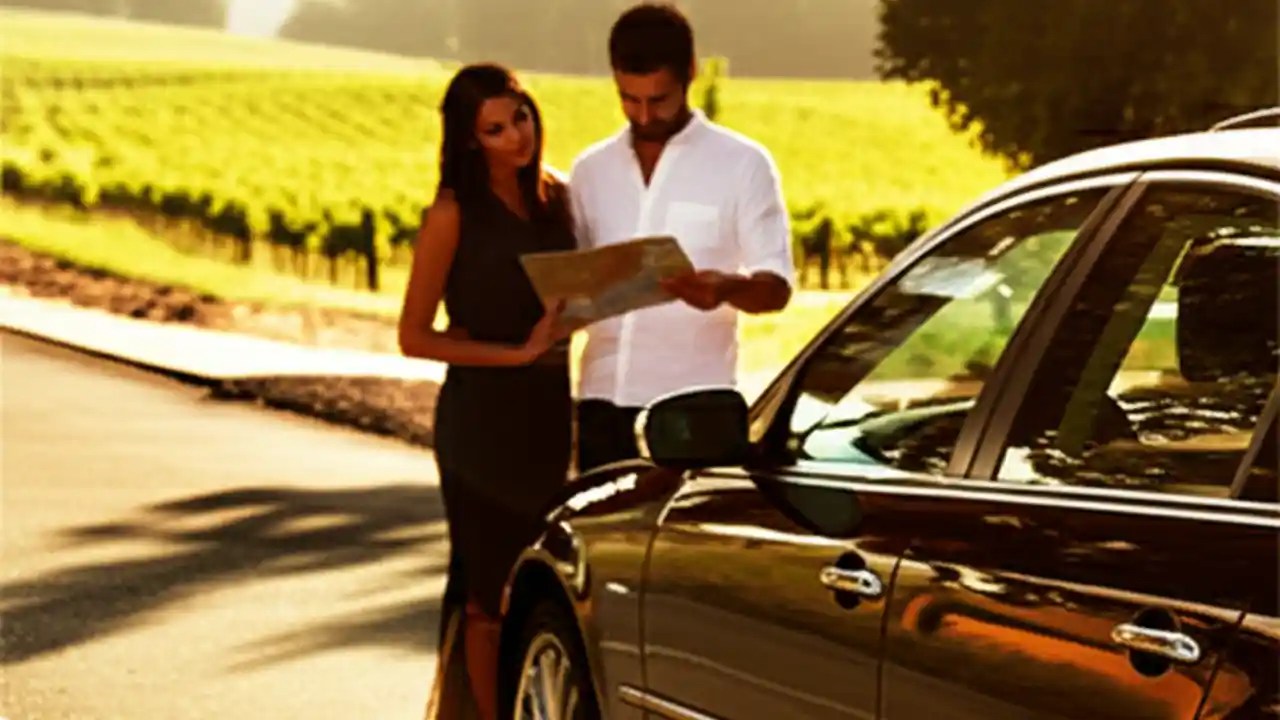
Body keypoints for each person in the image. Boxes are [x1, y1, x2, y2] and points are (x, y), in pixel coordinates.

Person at [398, 63, 575, 720]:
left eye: (520, 117)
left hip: (549, 418)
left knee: (533, 585)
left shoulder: (559, 198)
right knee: (487, 598)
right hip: (479, 425)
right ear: (471, 141)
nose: (517, 136)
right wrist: (517, 352)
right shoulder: (450, 214)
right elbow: (413, 337)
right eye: (495, 128)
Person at [568, 2, 795, 473]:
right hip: (598, 410)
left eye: (659, 99)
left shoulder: (743, 165)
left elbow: (776, 287)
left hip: (695, 416)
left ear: (690, 72)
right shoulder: (590, 171)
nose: (645, 115)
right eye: (630, 99)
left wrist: (727, 288)